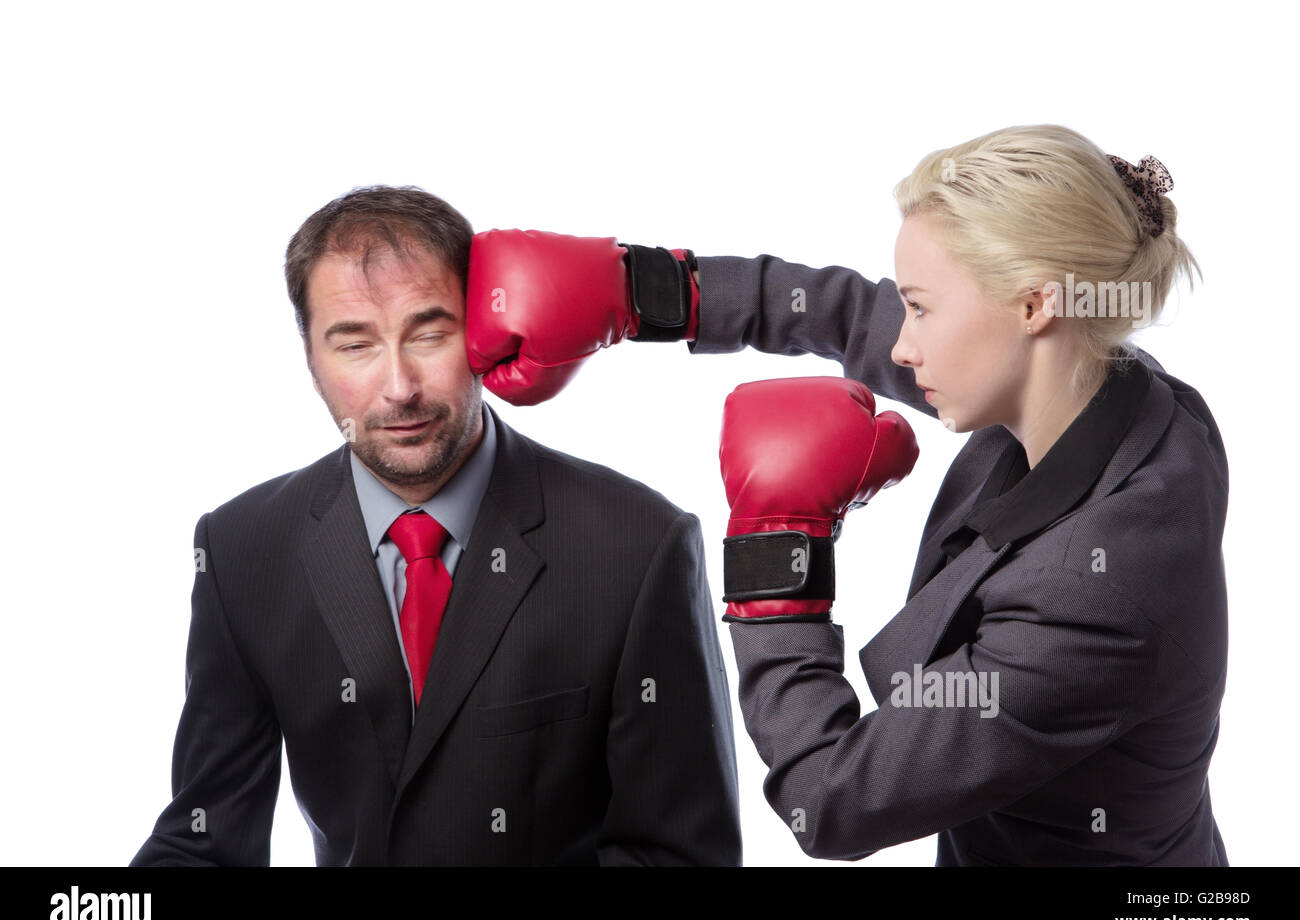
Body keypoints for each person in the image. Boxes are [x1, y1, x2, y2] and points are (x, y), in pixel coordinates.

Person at [465, 125, 1230, 865]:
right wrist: (643, 290)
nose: (901, 344)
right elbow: (853, 314)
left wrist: (776, 554)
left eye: (924, 309)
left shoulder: (1094, 601)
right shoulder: (1141, 405)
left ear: (1033, 307)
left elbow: (831, 799)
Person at [131, 186, 742, 866]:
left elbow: (683, 856)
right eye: (354, 344)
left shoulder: (637, 545)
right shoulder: (243, 550)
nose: (400, 386)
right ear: (311, 361)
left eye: (429, 333)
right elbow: (203, 842)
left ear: (483, 332)